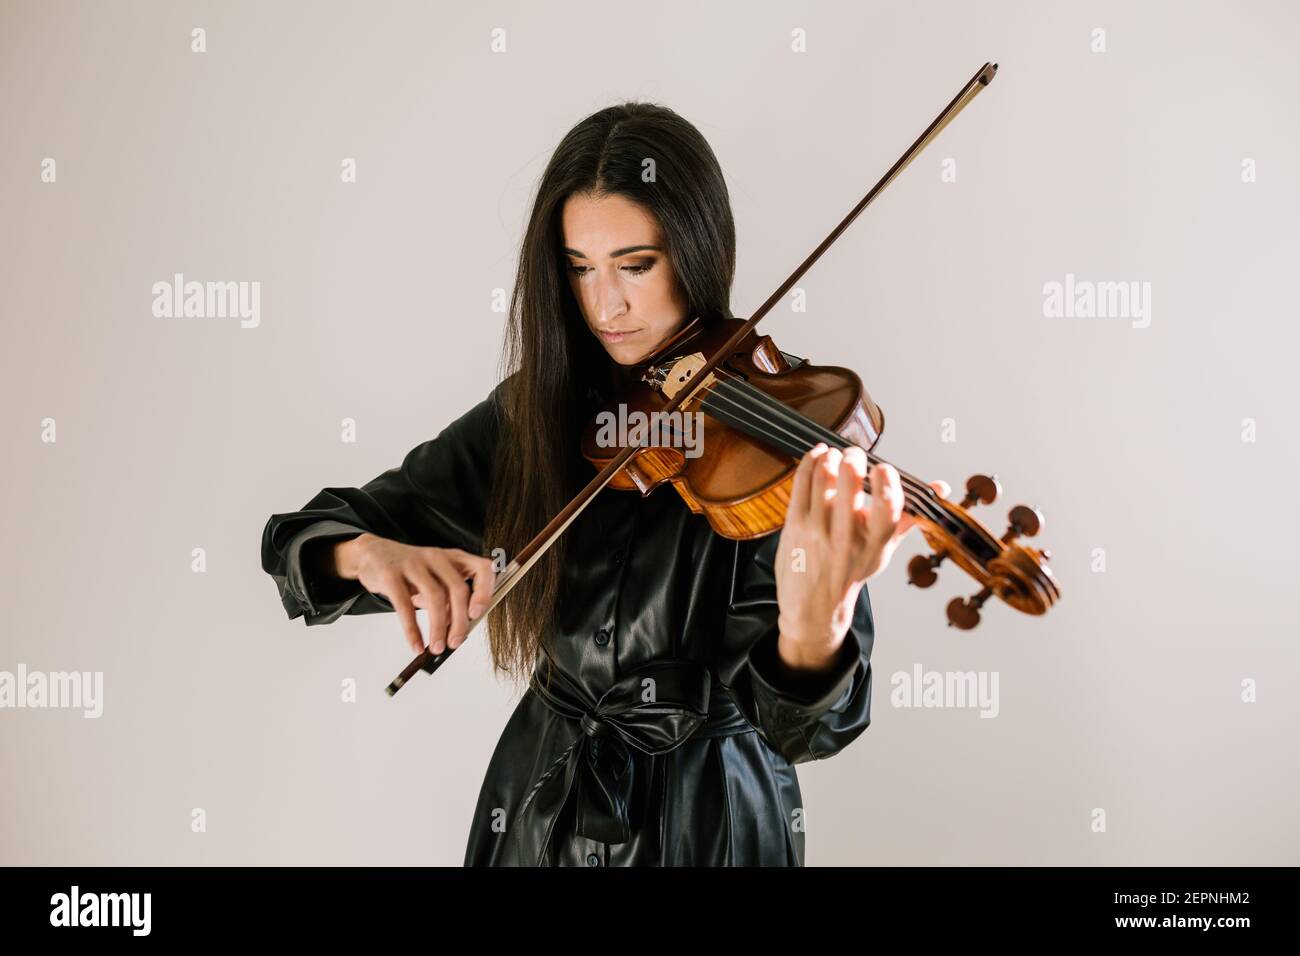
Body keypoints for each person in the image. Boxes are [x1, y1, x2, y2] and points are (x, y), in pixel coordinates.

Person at [260, 102, 947, 866]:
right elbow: (303, 537)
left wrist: (814, 630)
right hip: (539, 810)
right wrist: (366, 556)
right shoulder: (539, 412)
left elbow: (808, 732)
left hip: (713, 822)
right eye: (580, 268)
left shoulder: (780, 437)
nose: (605, 305)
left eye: (635, 264)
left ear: (697, 249)